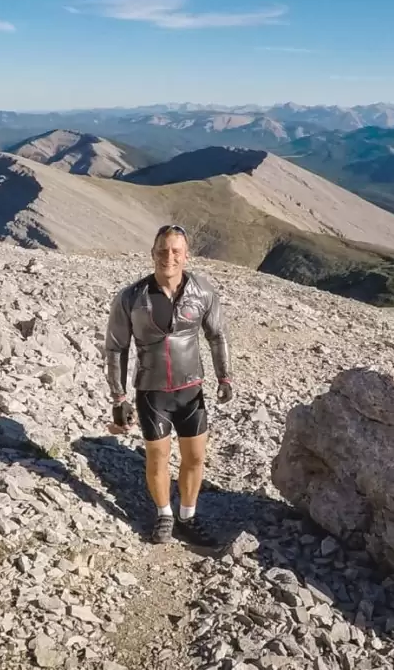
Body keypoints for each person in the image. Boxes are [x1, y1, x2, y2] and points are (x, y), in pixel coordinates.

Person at [103, 223, 233, 545]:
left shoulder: (203, 292)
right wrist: (119, 398)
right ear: (152, 254)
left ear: (187, 256)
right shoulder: (131, 297)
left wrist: (224, 376)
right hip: (152, 392)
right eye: (163, 250)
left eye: (176, 251)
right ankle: (164, 514)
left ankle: (187, 516)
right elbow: (116, 347)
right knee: (158, 458)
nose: (169, 257)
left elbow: (217, 336)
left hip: (191, 390)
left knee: (195, 458)